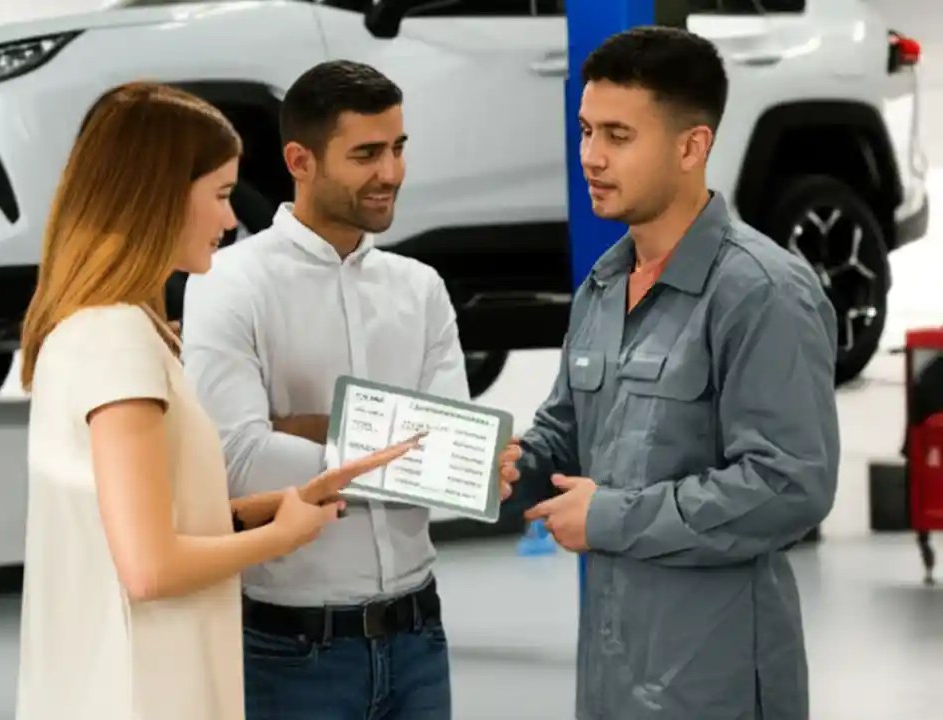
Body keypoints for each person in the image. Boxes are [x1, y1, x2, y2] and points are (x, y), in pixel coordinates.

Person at [12, 81, 421, 720]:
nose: (231, 220)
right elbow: (149, 567)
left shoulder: (91, 329)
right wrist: (279, 538)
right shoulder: (118, 343)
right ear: (159, 197)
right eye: (222, 196)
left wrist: (259, 511)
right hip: (142, 693)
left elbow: (134, 518)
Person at [514, 27, 840, 720]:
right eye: (585, 131)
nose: (591, 158)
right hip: (612, 675)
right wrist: (507, 464)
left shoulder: (760, 292)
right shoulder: (602, 287)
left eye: (618, 136)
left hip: (713, 683)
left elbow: (790, 485)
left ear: (692, 146)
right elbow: (566, 435)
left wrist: (610, 516)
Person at [181, 60, 519, 720]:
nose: (390, 174)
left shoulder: (418, 287)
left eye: (397, 149)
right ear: (300, 160)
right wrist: (421, 450)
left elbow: (459, 461)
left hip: (420, 639)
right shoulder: (228, 282)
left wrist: (302, 426)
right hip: (291, 654)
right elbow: (237, 464)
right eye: (366, 154)